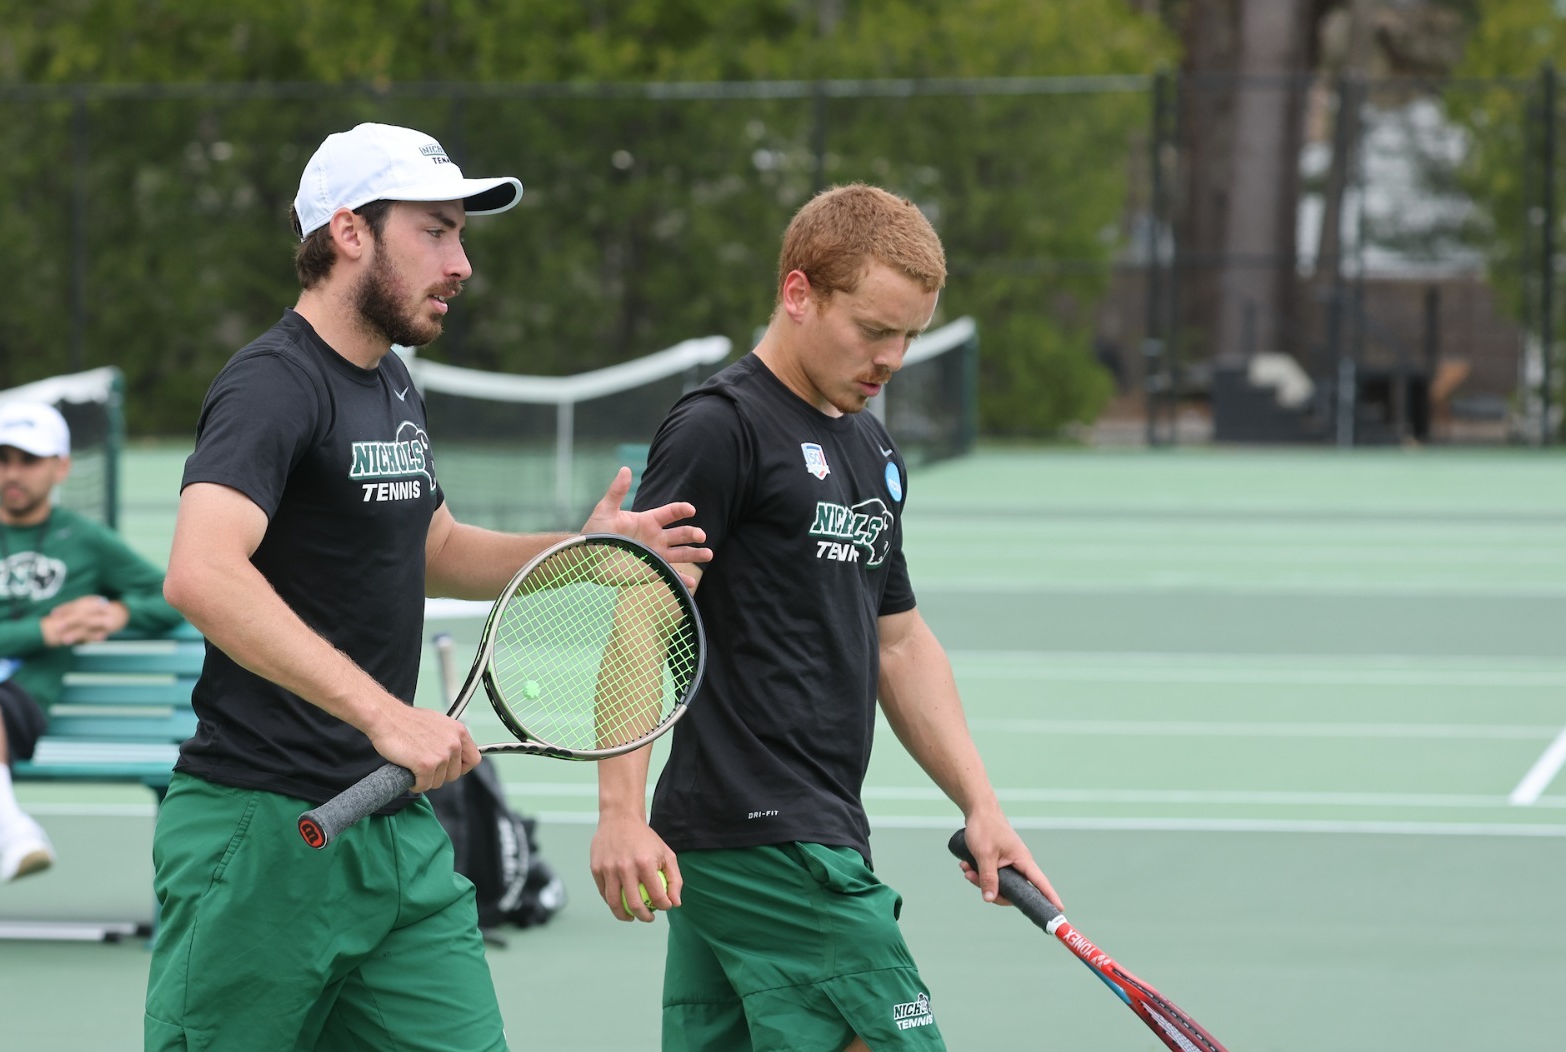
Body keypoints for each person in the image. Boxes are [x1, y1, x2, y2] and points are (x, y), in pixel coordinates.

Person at [144, 122, 710, 1052]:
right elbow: (202, 571)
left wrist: (586, 548)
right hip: (264, 834)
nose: (462, 264)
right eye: (435, 232)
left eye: (461, 235)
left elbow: (432, 544)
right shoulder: (271, 386)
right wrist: (384, 714)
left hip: (391, 829)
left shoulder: (391, 386)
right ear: (349, 232)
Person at [588, 184, 1060, 1051]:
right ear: (799, 294)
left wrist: (981, 805)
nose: (893, 358)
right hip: (765, 837)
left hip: (794, 834)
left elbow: (900, 642)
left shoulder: (871, 448)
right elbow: (640, 611)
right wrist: (621, 811)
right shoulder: (719, 428)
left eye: (910, 335)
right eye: (874, 330)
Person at [0, 400, 183, 963]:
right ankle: (7, 825)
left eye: (29, 459)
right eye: (2, 459)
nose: (13, 473)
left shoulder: (85, 540)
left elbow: (173, 594)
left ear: (61, 467)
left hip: (10, 711)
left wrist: (119, 614)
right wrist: (41, 631)